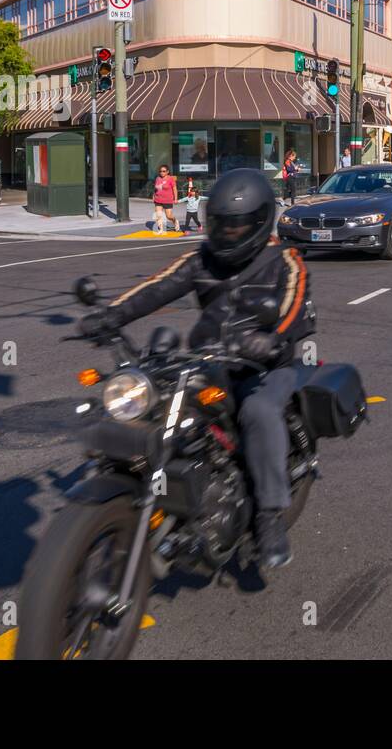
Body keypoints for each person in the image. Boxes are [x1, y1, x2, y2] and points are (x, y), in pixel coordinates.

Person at [80, 169, 315, 570]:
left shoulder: (285, 260)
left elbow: (293, 305)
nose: (228, 234)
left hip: (266, 363)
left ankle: (270, 515)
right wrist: (111, 315)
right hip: (210, 358)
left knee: (257, 412)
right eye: (221, 225)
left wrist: (273, 338)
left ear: (260, 223)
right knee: (154, 406)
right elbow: (159, 286)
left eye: (238, 227)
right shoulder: (201, 257)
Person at [152, 165, 179, 234]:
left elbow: (174, 189)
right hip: (158, 199)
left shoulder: (170, 179)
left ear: (167, 172)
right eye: (160, 171)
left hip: (168, 200)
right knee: (158, 215)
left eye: (164, 171)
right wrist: (153, 196)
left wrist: (176, 199)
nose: (162, 173)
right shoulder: (157, 178)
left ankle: (175, 221)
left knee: (169, 216)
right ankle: (160, 229)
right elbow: (156, 188)